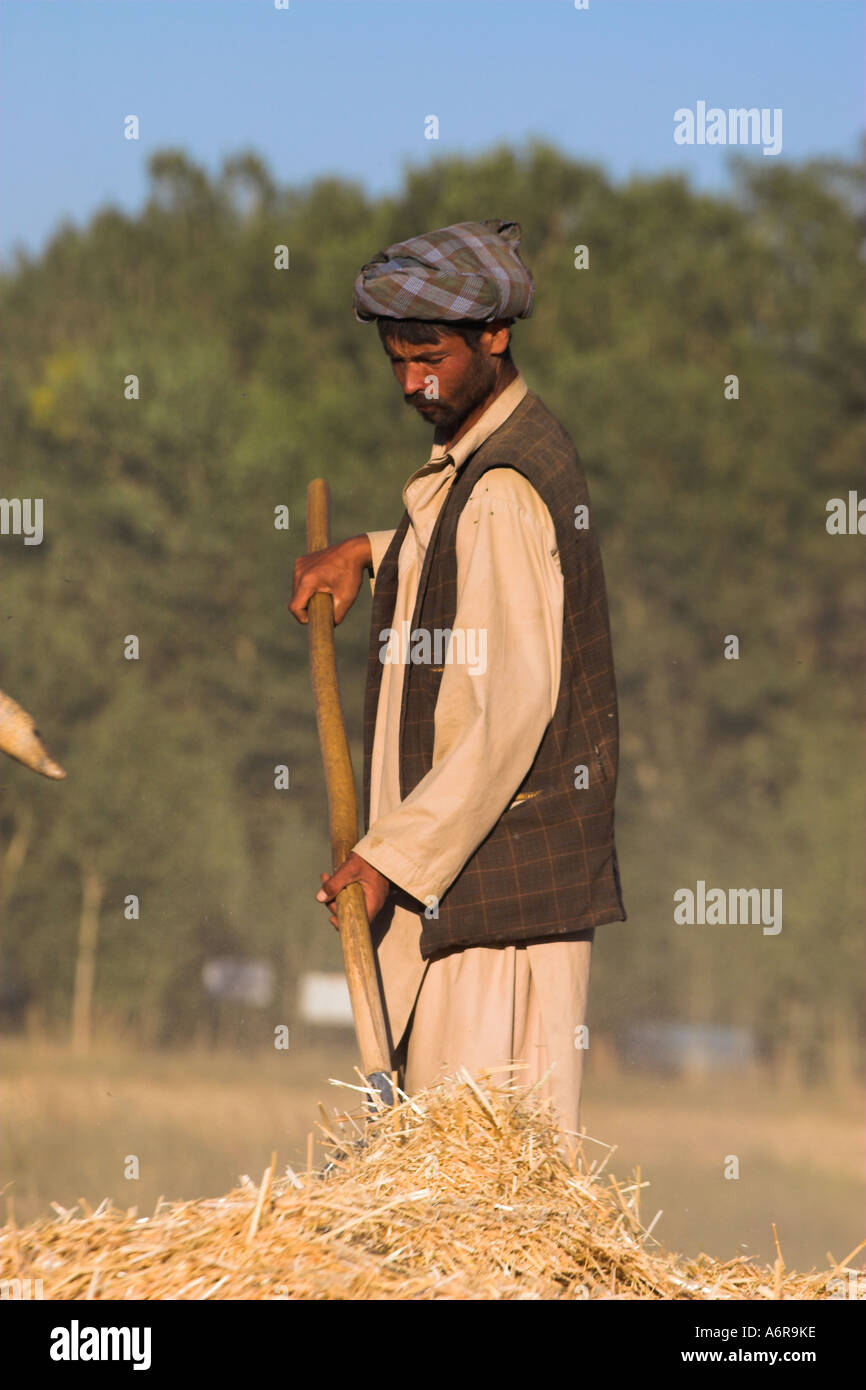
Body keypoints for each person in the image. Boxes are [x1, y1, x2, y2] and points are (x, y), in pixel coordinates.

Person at [290, 219, 625, 1137]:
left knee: (482, 1208)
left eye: (429, 356)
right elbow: (468, 571)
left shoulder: (506, 488)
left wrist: (386, 862)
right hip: (467, 904)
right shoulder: (482, 471)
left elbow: (505, 719)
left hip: (496, 920)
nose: (411, 382)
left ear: (495, 335)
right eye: (396, 360)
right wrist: (373, 551)